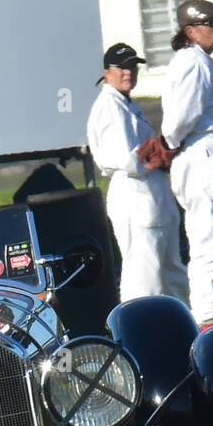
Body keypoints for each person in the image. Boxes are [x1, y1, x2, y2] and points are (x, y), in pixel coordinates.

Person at [137, 0, 213, 328]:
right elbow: (180, 117)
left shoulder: (200, 63)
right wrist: (168, 144)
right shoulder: (194, 63)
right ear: (190, 31)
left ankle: (208, 320)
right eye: (211, 23)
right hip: (210, 167)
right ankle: (209, 325)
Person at [85, 42, 189, 304]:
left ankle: (185, 329)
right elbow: (127, 159)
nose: (128, 72)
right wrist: (157, 155)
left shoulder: (127, 104)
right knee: (145, 277)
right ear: (107, 72)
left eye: (132, 66)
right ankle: (141, 335)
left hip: (154, 195)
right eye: (121, 67)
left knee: (171, 272)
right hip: (133, 195)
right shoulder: (109, 106)